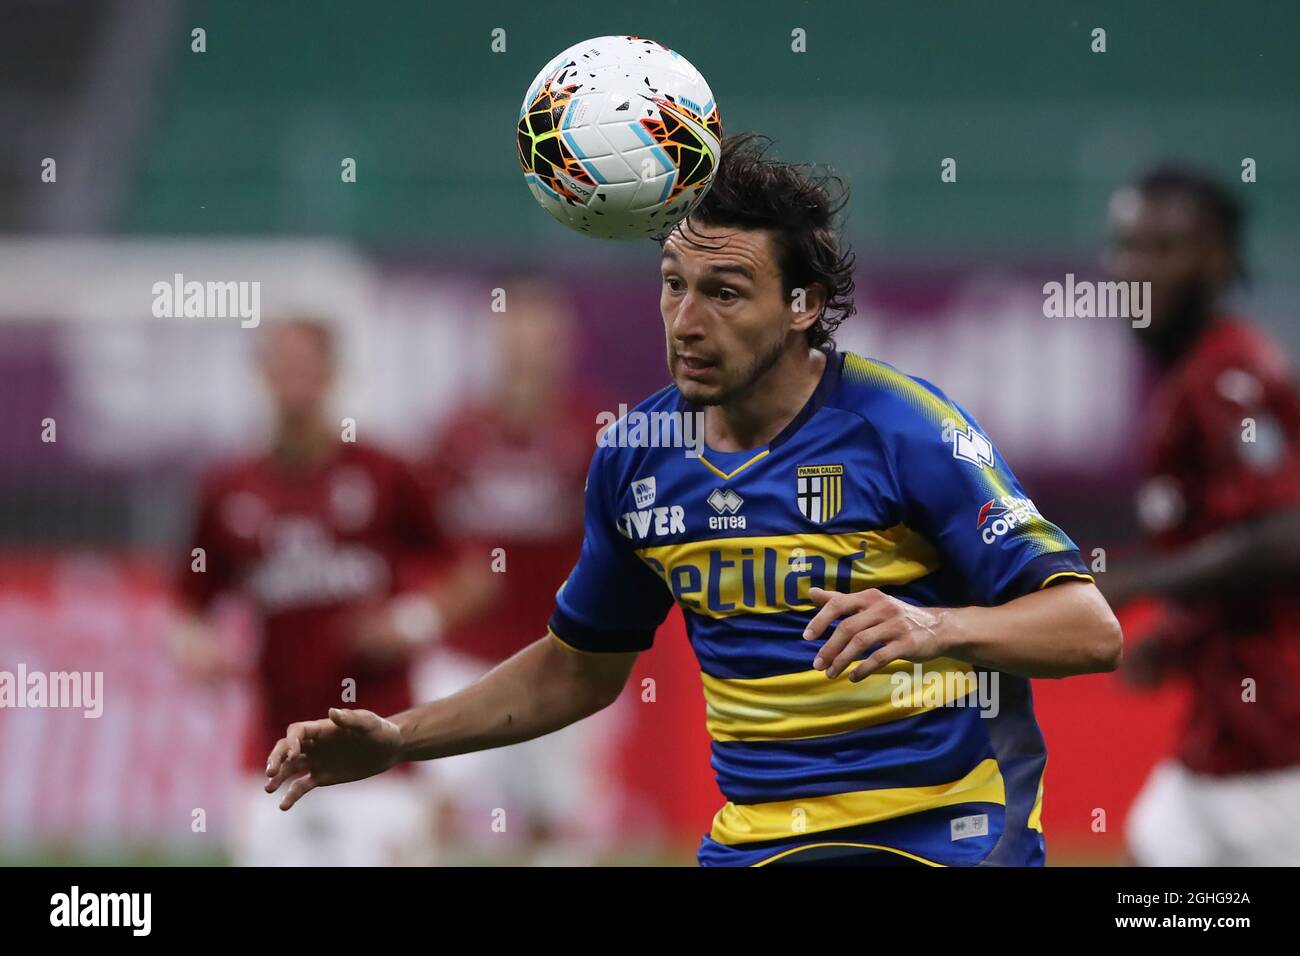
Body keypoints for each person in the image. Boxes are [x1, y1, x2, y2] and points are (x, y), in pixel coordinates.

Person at [265, 134, 1122, 867]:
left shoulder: (905, 430)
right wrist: (396, 739)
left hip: (938, 834)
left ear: (804, 305)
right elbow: (578, 667)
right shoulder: (637, 456)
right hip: (756, 841)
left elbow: (1089, 628)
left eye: (723, 292)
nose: (684, 320)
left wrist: (937, 626)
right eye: (673, 283)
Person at [174, 317, 492, 865]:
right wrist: (197, 647)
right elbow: (190, 604)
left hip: (380, 753)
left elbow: (475, 573)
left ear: (331, 375)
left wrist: (411, 622)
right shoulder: (231, 489)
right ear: (262, 373)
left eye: (306, 365)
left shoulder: (384, 472)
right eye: (282, 364)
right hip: (276, 753)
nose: (294, 379)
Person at [1098, 166, 1300, 866]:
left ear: (1216, 261)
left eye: (1161, 249)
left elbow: (1285, 536)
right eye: (1126, 247)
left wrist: (1137, 584)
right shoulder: (1192, 377)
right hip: (1223, 742)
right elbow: (1235, 551)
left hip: (1278, 752)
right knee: (1158, 845)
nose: (1133, 268)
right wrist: (1180, 635)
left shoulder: (1231, 374)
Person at [415, 278, 625, 863]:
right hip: (465, 652)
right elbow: (421, 540)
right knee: (438, 802)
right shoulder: (458, 435)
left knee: (556, 819)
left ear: (565, 344)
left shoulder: (594, 433)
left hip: (559, 653)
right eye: (518, 332)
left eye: (544, 335)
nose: (530, 348)